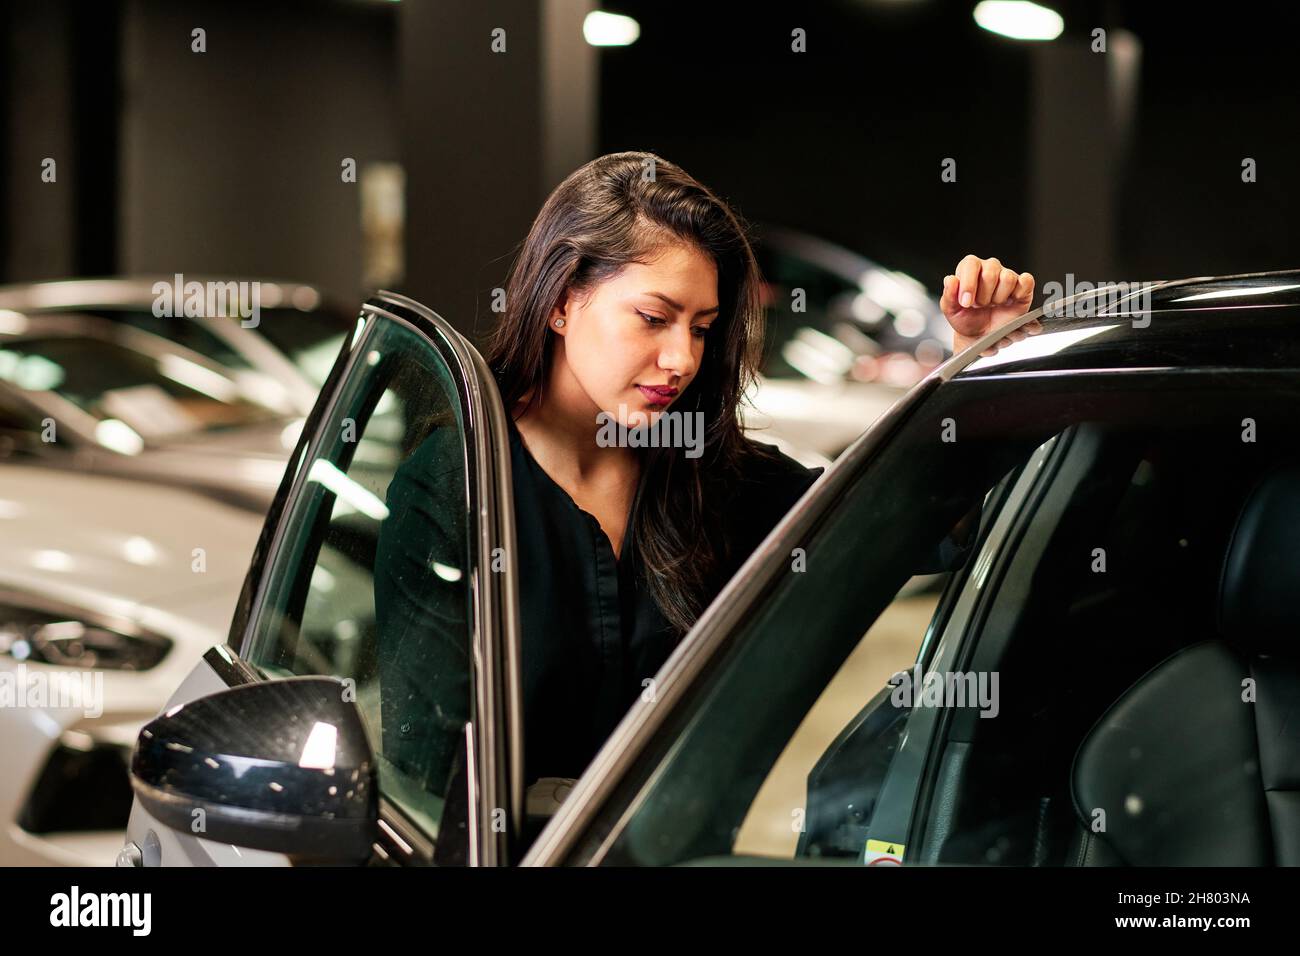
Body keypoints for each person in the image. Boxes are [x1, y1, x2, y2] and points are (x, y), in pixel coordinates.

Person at [375, 151, 1036, 827]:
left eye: (701, 328)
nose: (683, 360)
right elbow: (426, 775)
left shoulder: (705, 472)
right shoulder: (454, 489)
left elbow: (917, 526)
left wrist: (982, 365)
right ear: (563, 300)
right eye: (654, 318)